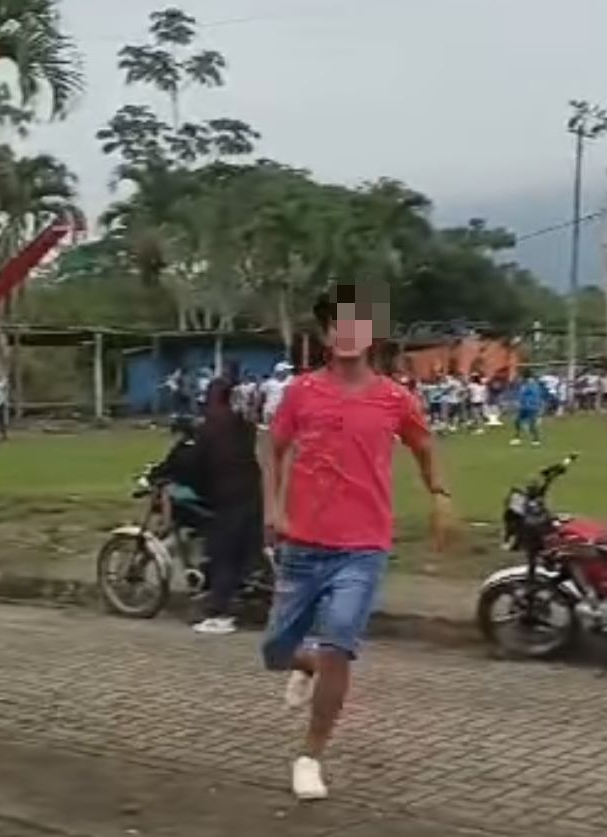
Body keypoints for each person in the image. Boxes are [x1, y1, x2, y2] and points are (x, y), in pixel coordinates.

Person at [262, 286, 458, 801]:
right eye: (336, 324)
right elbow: (274, 449)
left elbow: (424, 445)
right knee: (276, 650)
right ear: (325, 335)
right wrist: (272, 508)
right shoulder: (301, 392)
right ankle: (303, 665)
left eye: (357, 323)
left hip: (363, 547)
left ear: (371, 333)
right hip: (302, 544)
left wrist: (440, 493)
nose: (346, 333)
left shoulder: (395, 398)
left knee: (340, 642)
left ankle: (310, 755)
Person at [190, 378, 263, 635]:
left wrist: (198, 487)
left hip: (227, 497)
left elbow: (197, 464)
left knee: (223, 555)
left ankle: (220, 613)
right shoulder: (243, 424)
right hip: (253, 492)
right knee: (243, 552)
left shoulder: (209, 427)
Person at [511, 370, 546, 446]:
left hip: (530, 407)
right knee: (517, 421)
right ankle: (517, 438)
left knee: (531, 424)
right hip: (525, 407)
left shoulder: (530, 384)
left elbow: (527, 395)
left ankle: (536, 440)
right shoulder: (529, 384)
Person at [258, 361, 293, 428]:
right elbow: (261, 396)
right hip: (270, 411)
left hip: (284, 413)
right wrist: (258, 409)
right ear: (280, 371)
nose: (288, 372)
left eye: (288, 370)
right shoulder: (269, 383)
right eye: (286, 370)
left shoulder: (290, 381)